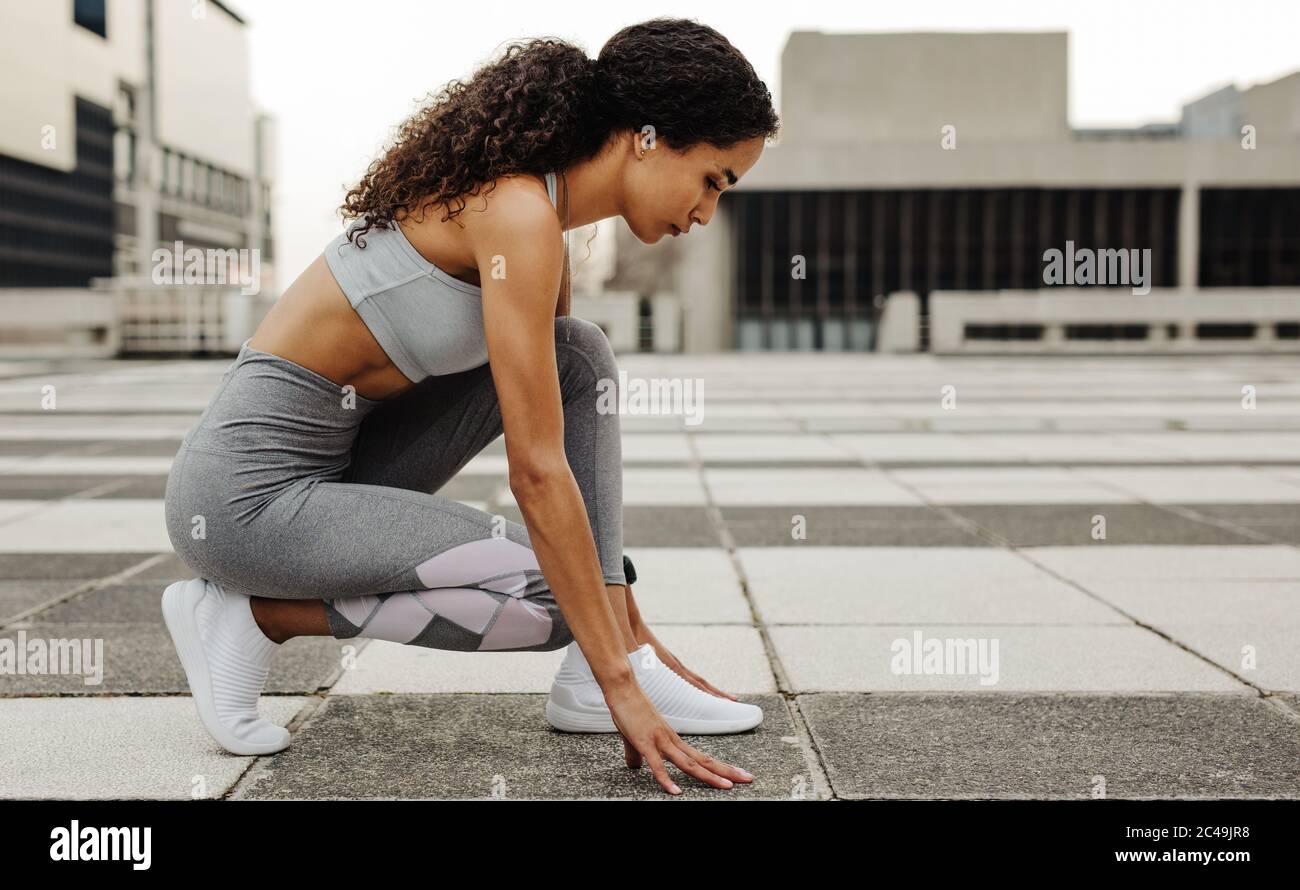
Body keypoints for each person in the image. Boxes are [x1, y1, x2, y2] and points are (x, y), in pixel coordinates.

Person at [161, 17, 778, 796]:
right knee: (558, 598)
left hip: (342, 469)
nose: (705, 212)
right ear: (647, 138)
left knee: (578, 354)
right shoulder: (515, 216)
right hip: (242, 501)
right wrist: (627, 686)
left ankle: (601, 665)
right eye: (715, 180)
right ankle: (256, 617)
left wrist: (630, 643)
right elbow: (538, 471)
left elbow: (558, 416)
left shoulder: (539, 219)